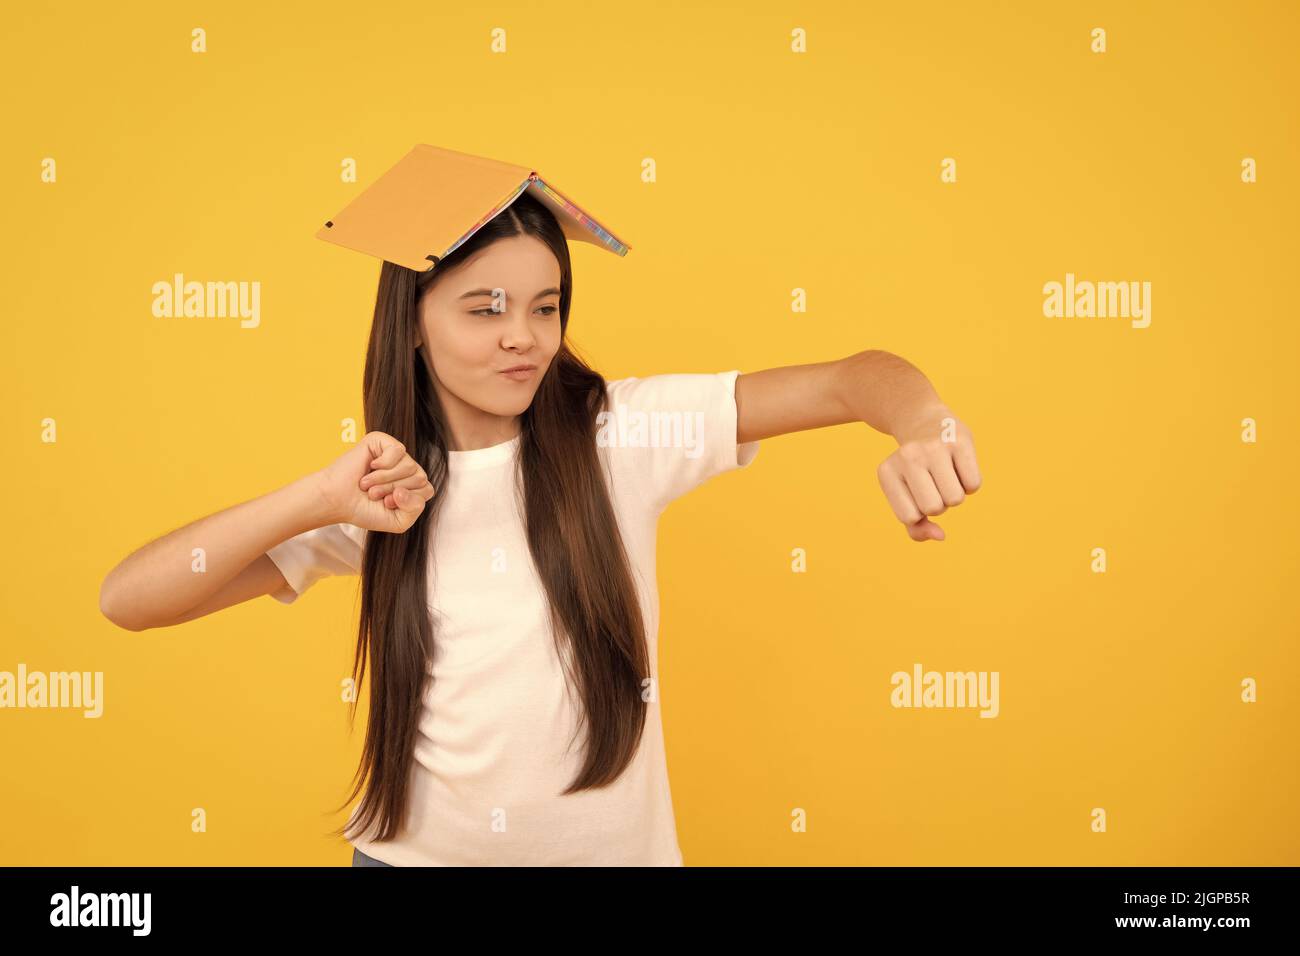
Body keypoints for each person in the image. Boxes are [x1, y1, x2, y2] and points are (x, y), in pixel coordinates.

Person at [99, 190, 982, 866]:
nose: (523, 338)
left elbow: (855, 378)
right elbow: (129, 600)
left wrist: (925, 423)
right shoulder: (380, 498)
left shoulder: (623, 435)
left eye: (545, 306)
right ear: (413, 323)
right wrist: (318, 500)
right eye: (485, 309)